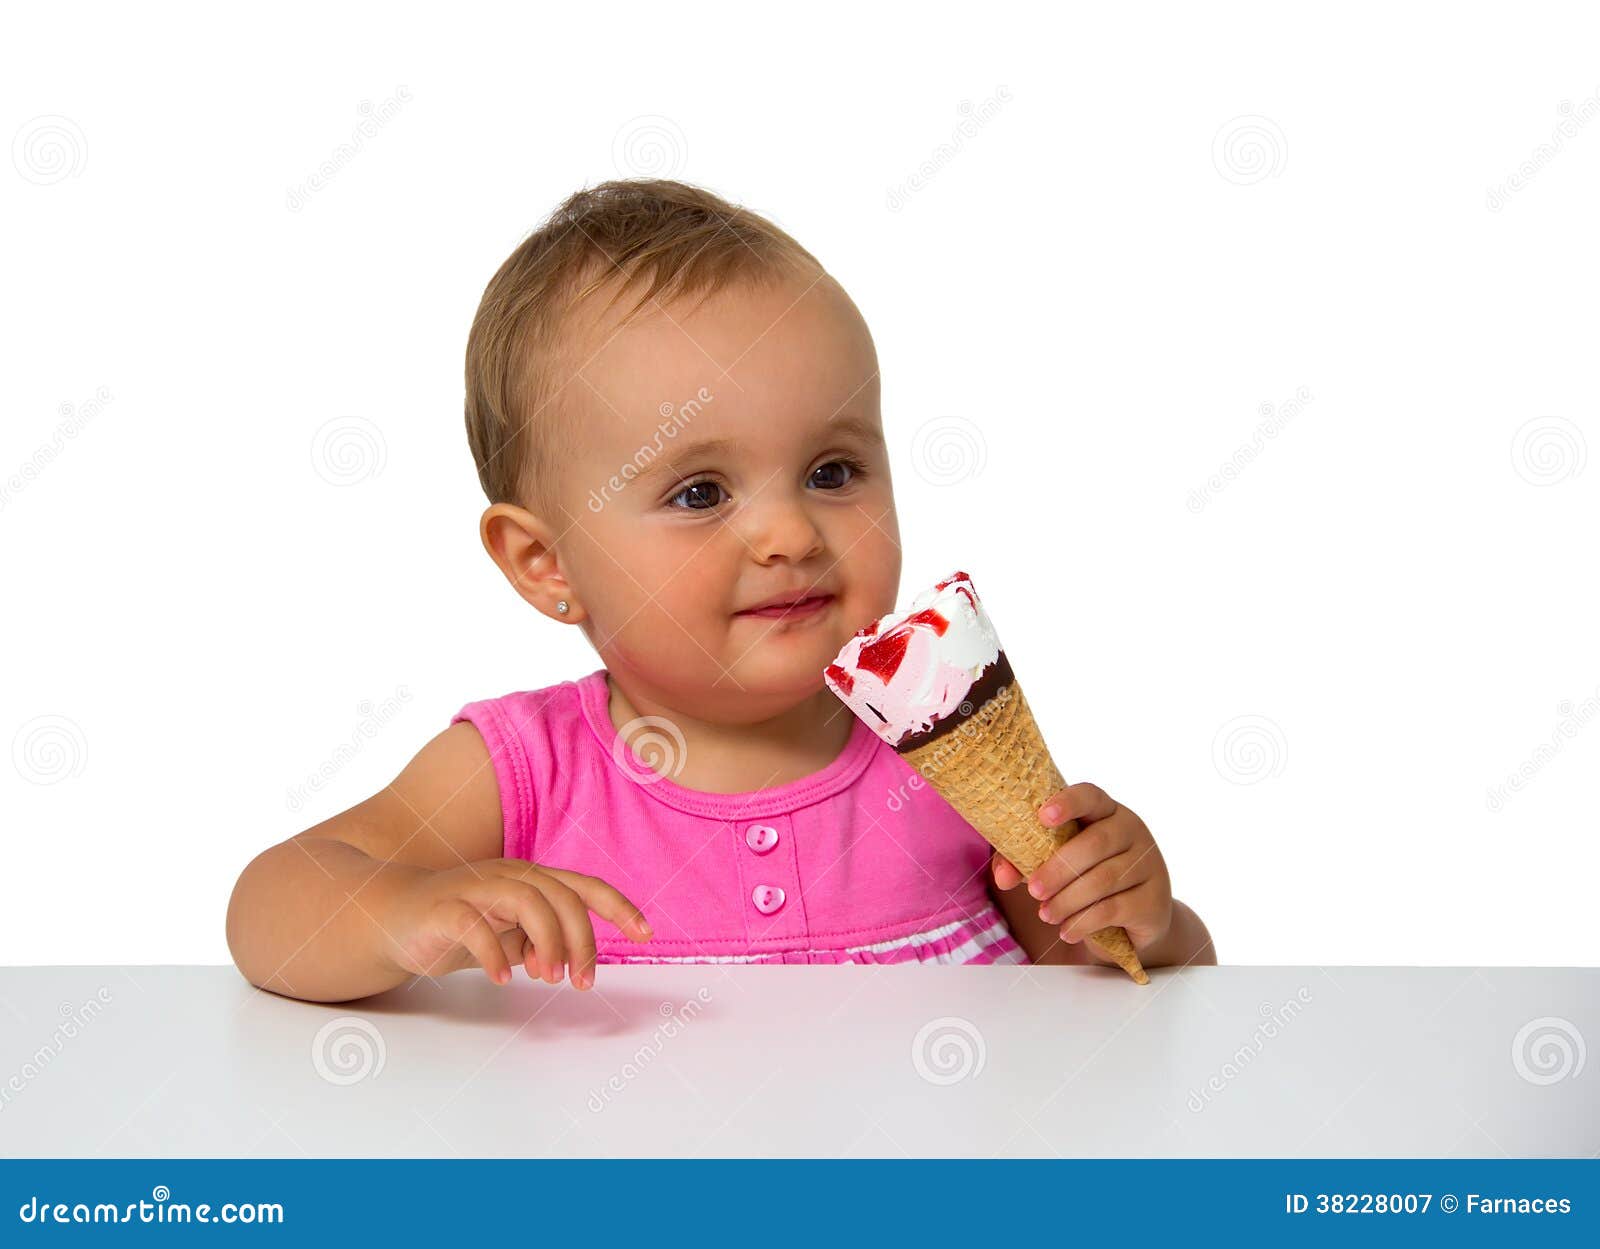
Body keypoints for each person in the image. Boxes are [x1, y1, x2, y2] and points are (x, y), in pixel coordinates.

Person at [226, 179, 1215, 1003]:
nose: (791, 534)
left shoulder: (940, 751)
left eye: (833, 471)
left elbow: (1103, 996)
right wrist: (401, 914)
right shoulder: (528, 772)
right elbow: (272, 904)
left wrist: (1139, 914)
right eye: (699, 491)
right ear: (546, 564)